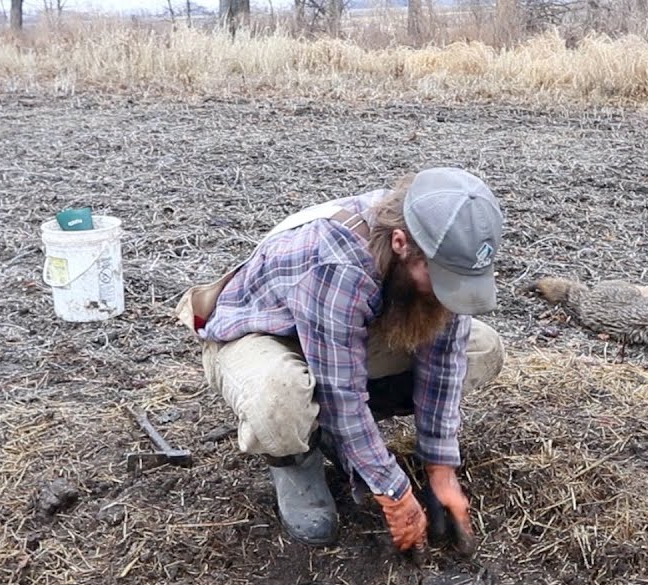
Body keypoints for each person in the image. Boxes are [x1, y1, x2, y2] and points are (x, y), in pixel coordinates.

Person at [174, 166, 506, 553]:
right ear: (401, 243)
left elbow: (444, 362)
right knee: (281, 396)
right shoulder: (338, 262)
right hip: (264, 336)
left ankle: (339, 436)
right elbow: (340, 393)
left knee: (480, 348)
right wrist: (393, 492)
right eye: (442, 278)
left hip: (337, 338)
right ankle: (295, 458)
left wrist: (440, 466)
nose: (450, 291)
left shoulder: (441, 248)